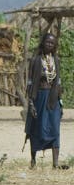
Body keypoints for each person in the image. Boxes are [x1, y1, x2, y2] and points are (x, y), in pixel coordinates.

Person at [25, 33, 65, 169]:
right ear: (43, 43)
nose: (49, 44)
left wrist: (61, 102)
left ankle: (55, 164)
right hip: (39, 97)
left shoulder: (56, 60)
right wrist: (31, 102)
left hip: (53, 98)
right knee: (37, 127)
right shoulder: (36, 60)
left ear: (54, 45)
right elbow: (30, 82)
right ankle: (33, 160)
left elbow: (58, 82)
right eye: (47, 42)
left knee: (54, 129)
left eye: (52, 43)